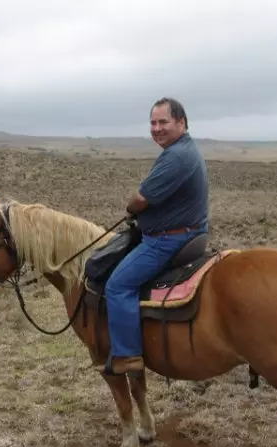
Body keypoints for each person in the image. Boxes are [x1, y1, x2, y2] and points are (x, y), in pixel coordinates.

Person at [98, 97, 209, 375]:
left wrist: (132, 206)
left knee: (118, 285)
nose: (157, 128)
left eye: (163, 122)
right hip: (185, 232)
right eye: (153, 122)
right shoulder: (182, 149)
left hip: (167, 240)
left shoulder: (176, 156)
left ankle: (127, 355)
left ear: (181, 123)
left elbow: (140, 199)